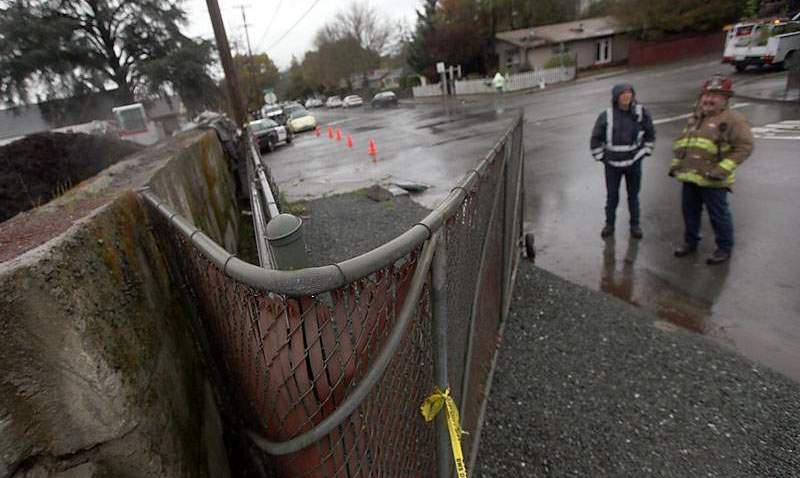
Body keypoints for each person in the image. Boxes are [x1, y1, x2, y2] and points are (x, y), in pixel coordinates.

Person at [670, 74, 754, 265]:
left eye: (715, 95)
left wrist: (721, 170)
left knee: (718, 216)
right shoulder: (696, 117)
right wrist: (676, 165)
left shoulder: (733, 120)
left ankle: (724, 248)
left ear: (725, 99)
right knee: (689, 213)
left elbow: (745, 147)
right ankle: (690, 242)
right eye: (706, 95)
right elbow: (684, 144)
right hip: (690, 176)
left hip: (713, 179)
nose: (708, 99)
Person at [590, 83, 656, 239]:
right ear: (616, 97)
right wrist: (602, 157)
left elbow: (650, 133)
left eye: (629, 92)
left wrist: (645, 151)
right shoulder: (606, 116)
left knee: (633, 196)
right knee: (612, 196)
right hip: (612, 166)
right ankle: (609, 225)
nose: (626, 96)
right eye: (622, 93)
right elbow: (596, 138)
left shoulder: (641, 113)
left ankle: (635, 225)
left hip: (634, 163)